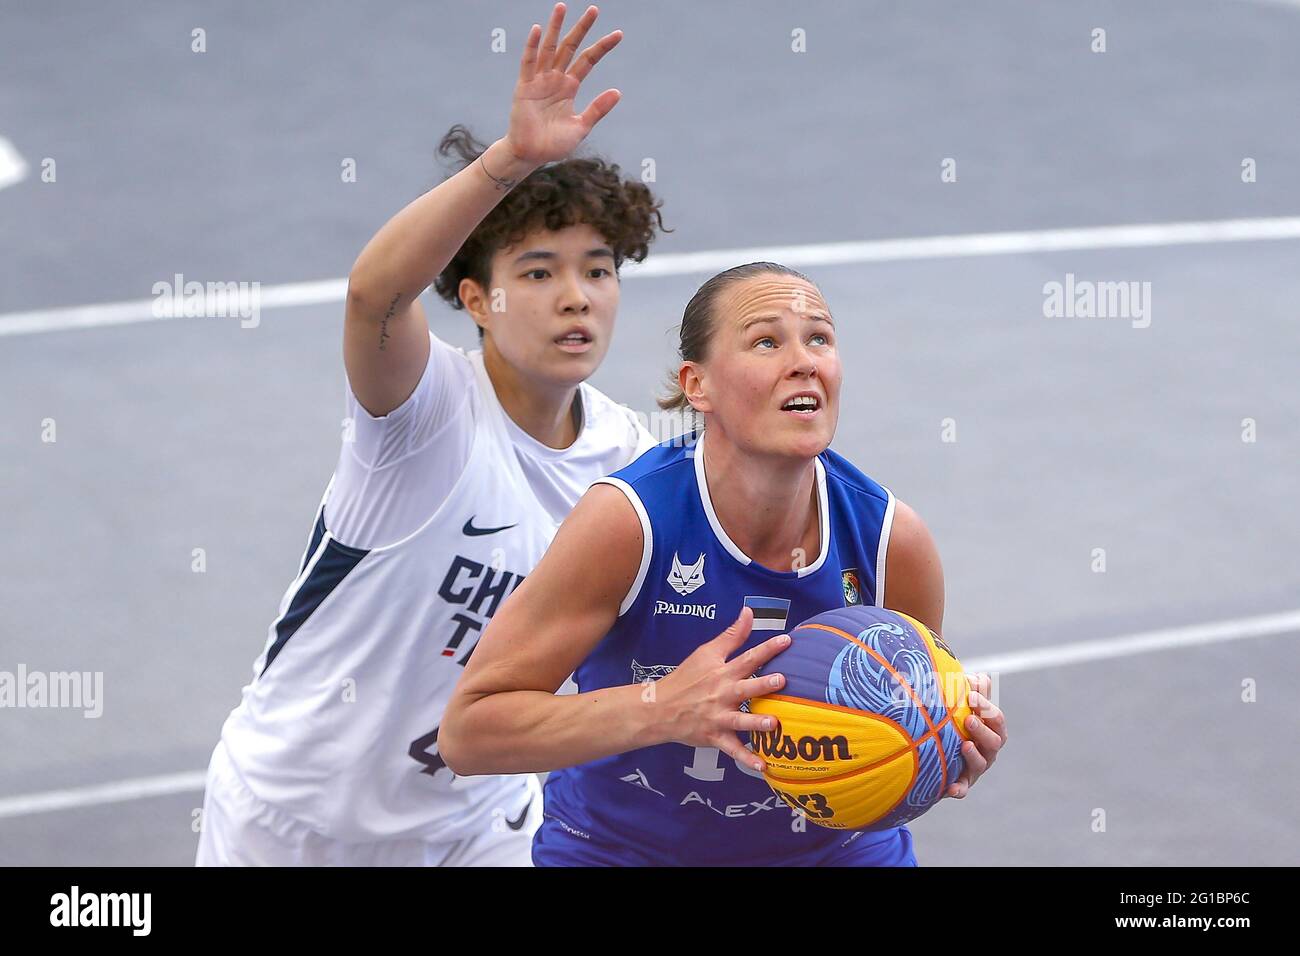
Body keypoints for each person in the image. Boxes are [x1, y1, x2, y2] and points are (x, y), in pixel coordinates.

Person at [196, 3, 668, 866]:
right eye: (539, 271)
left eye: (598, 270)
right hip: (290, 822)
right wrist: (513, 160)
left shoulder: (631, 464)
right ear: (478, 301)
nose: (578, 296)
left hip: (475, 832)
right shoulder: (427, 410)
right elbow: (374, 297)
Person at [440, 262, 1008, 866]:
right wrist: (660, 708)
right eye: (767, 341)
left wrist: (940, 741)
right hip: (623, 853)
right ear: (697, 385)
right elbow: (471, 734)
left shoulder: (892, 540)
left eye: (819, 338)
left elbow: (904, 727)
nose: (804, 361)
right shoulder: (629, 524)